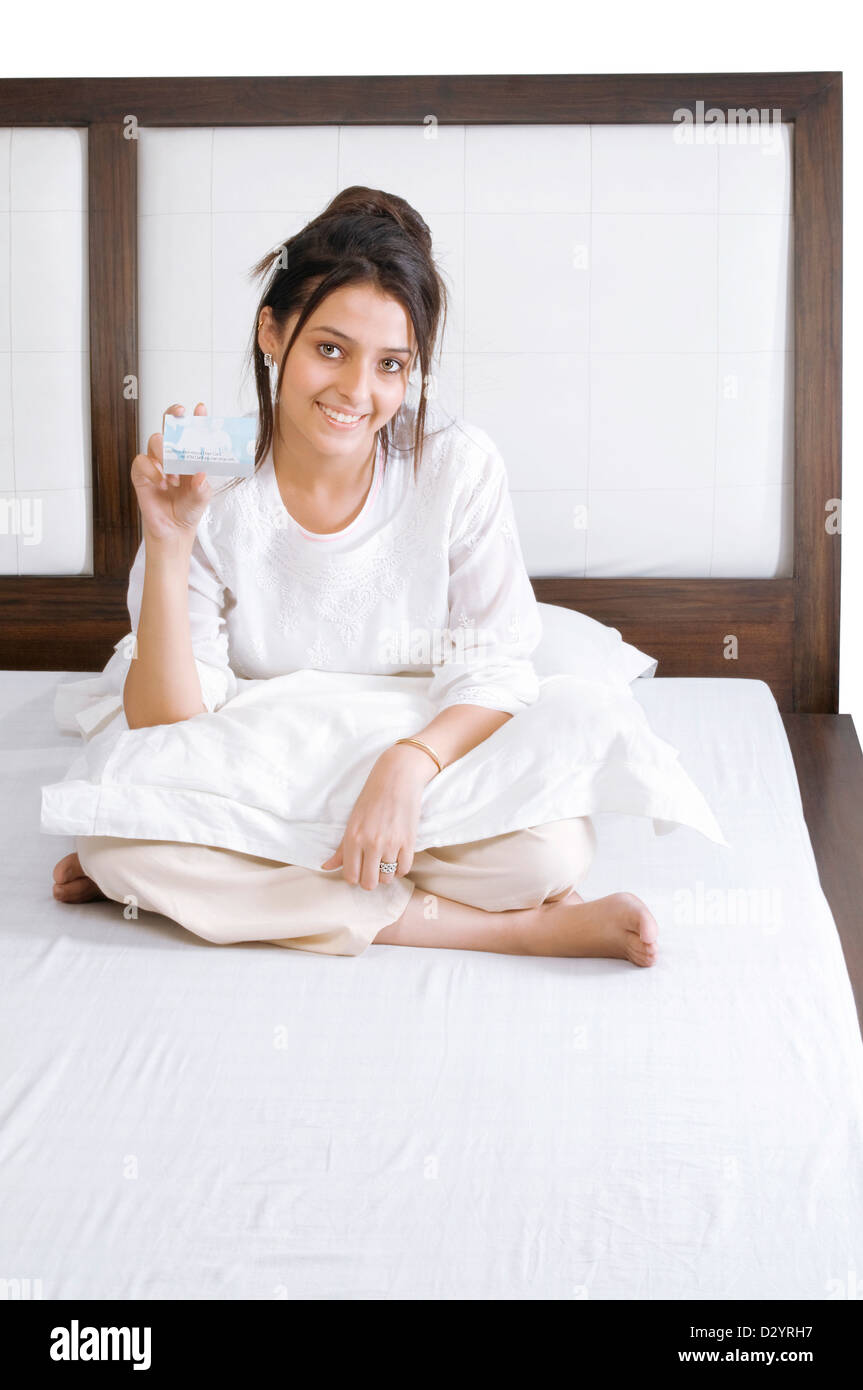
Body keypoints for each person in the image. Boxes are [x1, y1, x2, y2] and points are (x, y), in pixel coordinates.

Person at [51, 185, 658, 966]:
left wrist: (405, 766)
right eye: (329, 349)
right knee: (119, 851)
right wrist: (169, 540)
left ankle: (236, 877)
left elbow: (493, 669)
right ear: (272, 334)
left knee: (546, 853)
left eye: (391, 365)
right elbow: (168, 721)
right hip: (254, 750)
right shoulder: (215, 473)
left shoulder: (456, 466)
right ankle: (513, 929)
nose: (355, 393)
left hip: (420, 737)